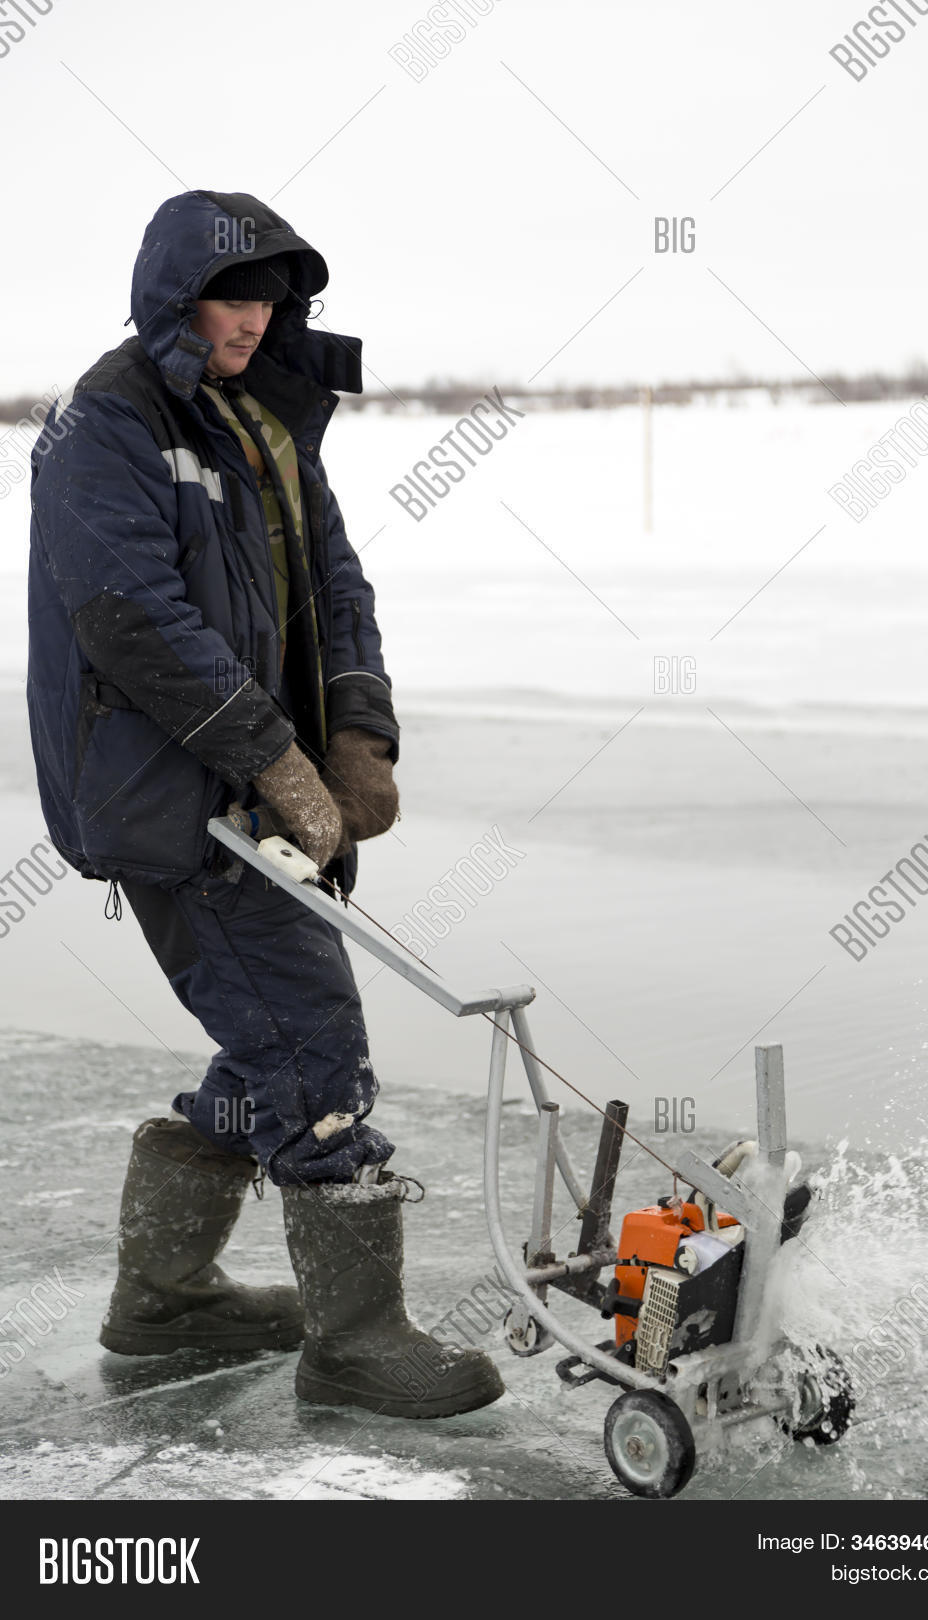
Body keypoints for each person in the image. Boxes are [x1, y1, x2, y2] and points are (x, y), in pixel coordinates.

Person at [26, 188, 503, 1418]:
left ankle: (164, 1301)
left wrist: (355, 736)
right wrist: (271, 758)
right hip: (175, 800)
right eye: (228, 298)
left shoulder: (263, 423)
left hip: (263, 791)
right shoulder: (107, 422)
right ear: (172, 298)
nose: (251, 320)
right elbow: (130, 616)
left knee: (270, 1042)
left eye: (269, 300)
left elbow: (337, 587)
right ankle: (355, 1344)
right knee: (311, 1046)